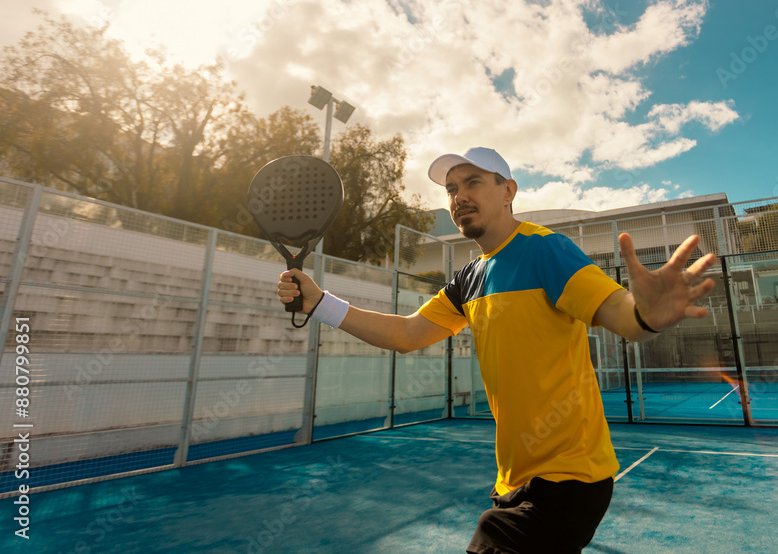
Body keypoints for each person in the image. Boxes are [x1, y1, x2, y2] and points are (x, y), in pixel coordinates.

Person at [277, 147, 717, 554]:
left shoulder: (546, 249)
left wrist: (647, 314)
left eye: (473, 183)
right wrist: (320, 304)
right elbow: (407, 335)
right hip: (514, 482)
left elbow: (620, 313)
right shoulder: (469, 278)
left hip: (570, 477)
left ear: (508, 191)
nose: (459, 197)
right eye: (452, 189)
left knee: (490, 537)